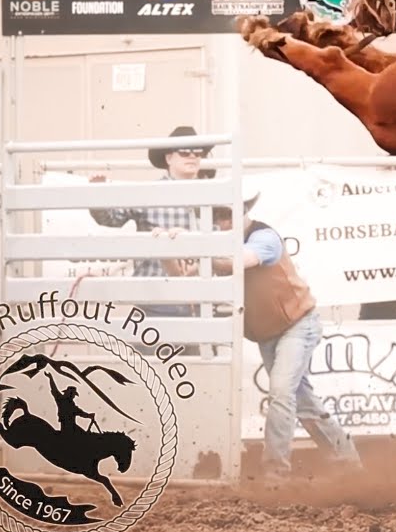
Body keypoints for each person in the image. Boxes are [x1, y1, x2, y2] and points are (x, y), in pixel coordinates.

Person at [160, 186, 362, 482]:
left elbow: (238, 261)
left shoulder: (263, 236)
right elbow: (182, 275)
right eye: (217, 215)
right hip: (272, 331)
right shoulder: (218, 246)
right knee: (300, 399)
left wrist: (194, 245)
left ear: (243, 212)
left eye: (227, 213)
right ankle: (348, 462)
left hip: (296, 324)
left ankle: (275, 474)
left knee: (281, 392)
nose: (223, 220)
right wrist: (173, 247)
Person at [89, 125, 212, 318]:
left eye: (198, 152)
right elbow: (111, 219)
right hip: (155, 298)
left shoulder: (212, 194)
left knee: (194, 346)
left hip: (197, 298)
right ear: (169, 157)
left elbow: (222, 239)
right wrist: (97, 194)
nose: (192, 156)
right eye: (185, 151)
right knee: (154, 346)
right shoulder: (148, 192)